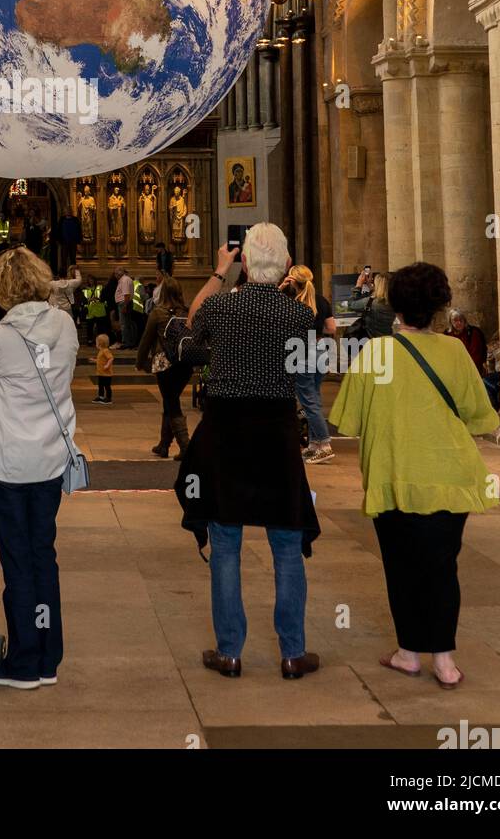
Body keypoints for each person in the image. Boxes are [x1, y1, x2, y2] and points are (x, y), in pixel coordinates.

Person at [330, 263, 500, 688]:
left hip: (394, 475)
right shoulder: (455, 352)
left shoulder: (376, 354)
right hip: (449, 476)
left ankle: (408, 652)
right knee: (442, 567)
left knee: (400, 567)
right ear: (439, 306)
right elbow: (481, 417)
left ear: (396, 307)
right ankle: (444, 660)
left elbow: (348, 420)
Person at [180, 225, 321, 681]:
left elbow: (190, 330)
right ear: (285, 265)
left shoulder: (221, 306)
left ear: (243, 261)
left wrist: (219, 272)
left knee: (225, 542)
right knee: (286, 543)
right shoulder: (298, 316)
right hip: (276, 434)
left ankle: (230, 652)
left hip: (227, 433)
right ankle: (293, 653)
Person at [0, 247, 78, 689]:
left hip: (10, 464)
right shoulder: (65, 325)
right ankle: (48, 656)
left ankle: (24, 660)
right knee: (42, 553)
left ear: (1, 289)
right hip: (50, 458)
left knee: (17, 560)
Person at [280, 265, 338, 466]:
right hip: (321, 349)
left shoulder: (291, 302)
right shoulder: (321, 300)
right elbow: (331, 328)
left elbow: (271, 312)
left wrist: (280, 288)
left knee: (308, 402)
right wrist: (316, 330)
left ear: (292, 281)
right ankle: (314, 445)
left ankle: (325, 445)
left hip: (302, 353)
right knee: (314, 398)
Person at [137, 275, 192, 458]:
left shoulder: (158, 313)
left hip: (165, 364)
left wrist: (140, 362)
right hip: (185, 363)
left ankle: (186, 446)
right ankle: (164, 444)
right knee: (170, 400)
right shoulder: (187, 311)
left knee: (171, 402)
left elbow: (146, 339)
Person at [348, 269, 395, 338]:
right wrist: (369, 286)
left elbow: (351, 305)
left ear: (377, 286)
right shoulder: (394, 303)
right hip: (387, 339)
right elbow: (380, 294)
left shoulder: (371, 302)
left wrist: (358, 285)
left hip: (371, 340)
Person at [446, 309, 488, 382]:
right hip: (453, 372)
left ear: (464, 320)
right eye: (455, 320)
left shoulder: (473, 333)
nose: (459, 323)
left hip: (471, 371)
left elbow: (476, 356)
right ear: (451, 322)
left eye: (461, 320)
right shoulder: (447, 335)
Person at [115, 267, 134, 349]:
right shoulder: (126, 279)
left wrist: (125, 306)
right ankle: (129, 342)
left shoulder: (124, 280)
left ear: (119, 273)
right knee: (127, 324)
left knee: (124, 324)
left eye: (115, 273)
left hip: (124, 303)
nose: (115, 275)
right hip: (125, 303)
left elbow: (126, 294)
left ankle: (126, 342)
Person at [94, 332, 114, 405]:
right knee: (100, 385)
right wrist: (95, 360)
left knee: (107, 386)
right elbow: (101, 360)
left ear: (100, 344)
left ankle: (109, 398)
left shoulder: (105, 351)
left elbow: (111, 358)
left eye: (96, 342)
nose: (96, 344)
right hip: (101, 373)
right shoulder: (101, 351)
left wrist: (107, 365)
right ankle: (101, 396)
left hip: (106, 374)